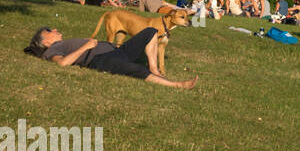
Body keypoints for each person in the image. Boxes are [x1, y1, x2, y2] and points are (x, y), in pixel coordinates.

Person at [25, 26, 197, 88]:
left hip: (116, 51)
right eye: (50, 31)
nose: (54, 30)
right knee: (133, 69)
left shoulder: (62, 44)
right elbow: (62, 63)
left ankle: (154, 68)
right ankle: (176, 85)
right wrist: (86, 46)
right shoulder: (50, 51)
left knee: (151, 32)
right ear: (45, 42)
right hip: (100, 60)